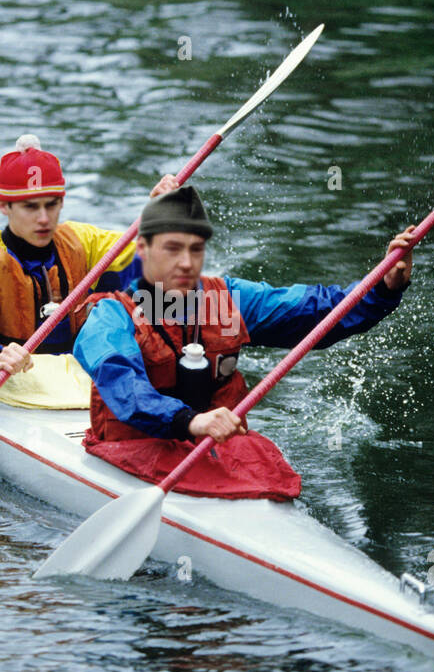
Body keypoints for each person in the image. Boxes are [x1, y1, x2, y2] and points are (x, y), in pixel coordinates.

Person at [73, 185, 416, 500]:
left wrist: (382, 288)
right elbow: (124, 387)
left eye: (195, 249)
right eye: (172, 249)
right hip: (134, 451)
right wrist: (191, 421)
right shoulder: (110, 316)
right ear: (144, 251)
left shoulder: (229, 300)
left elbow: (317, 313)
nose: (186, 263)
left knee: (260, 455)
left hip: (215, 451)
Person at [0, 134, 177, 382]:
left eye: (51, 205)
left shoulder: (83, 242)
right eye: (30, 206)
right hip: (11, 379)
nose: (43, 218)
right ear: (4, 206)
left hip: (76, 378)